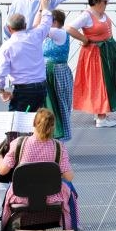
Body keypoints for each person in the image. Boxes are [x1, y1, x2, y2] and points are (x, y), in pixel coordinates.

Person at [0, 108, 80, 231]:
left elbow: (2, 171)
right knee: (69, 190)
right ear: (52, 127)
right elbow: (69, 177)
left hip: (21, 195)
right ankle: (71, 229)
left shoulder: (18, 144)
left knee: (10, 189)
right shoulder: (59, 147)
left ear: (34, 123)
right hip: (51, 196)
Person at [42, 9, 74, 141]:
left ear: (54, 22)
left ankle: (61, 137)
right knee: (49, 104)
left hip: (57, 71)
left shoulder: (59, 33)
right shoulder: (51, 35)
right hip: (49, 72)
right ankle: (51, 135)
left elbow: (39, 29)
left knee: (60, 103)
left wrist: (42, 9)